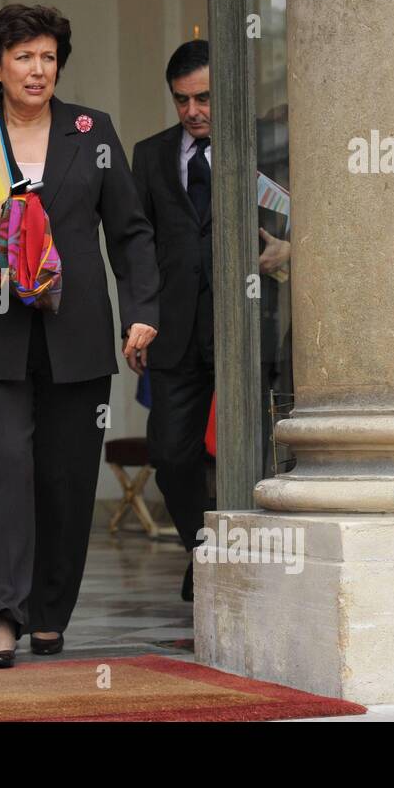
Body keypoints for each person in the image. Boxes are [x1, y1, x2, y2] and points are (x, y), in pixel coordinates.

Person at [0, 3, 159, 667]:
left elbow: (129, 231)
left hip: (73, 334)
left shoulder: (91, 129)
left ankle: (50, 611)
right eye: (23, 57)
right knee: (2, 471)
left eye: (48, 57)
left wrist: (142, 310)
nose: (37, 69)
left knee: (66, 479)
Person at [132, 39, 290, 603]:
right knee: (171, 453)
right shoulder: (149, 155)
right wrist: (140, 318)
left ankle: (246, 562)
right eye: (181, 101)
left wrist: (289, 250)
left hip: (253, 325)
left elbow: (316, 218)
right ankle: (204, 549)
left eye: (203, 98)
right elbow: (136, 245)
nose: (193, 111)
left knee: (252, 451)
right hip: (174, 330)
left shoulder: (269, 147)